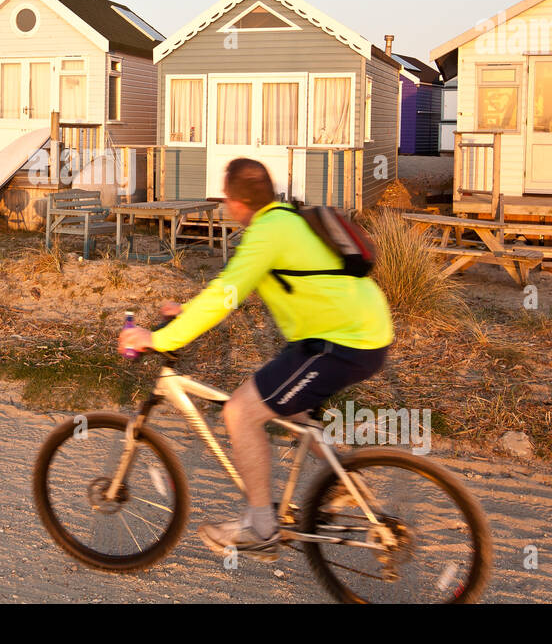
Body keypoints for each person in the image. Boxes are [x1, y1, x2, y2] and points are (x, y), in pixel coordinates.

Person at [117, 157, 393, 559]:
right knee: (295, 414)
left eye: (225, 200)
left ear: (238, 202)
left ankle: (261, 526)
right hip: (349, 333)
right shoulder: (284, 218)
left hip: (341, 342)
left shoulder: (267, 232)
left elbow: (226, 294)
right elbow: (232, 289)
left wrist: (158, 338)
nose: (225, 208)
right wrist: (189, 312)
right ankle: (348, 484)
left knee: (240, 413)